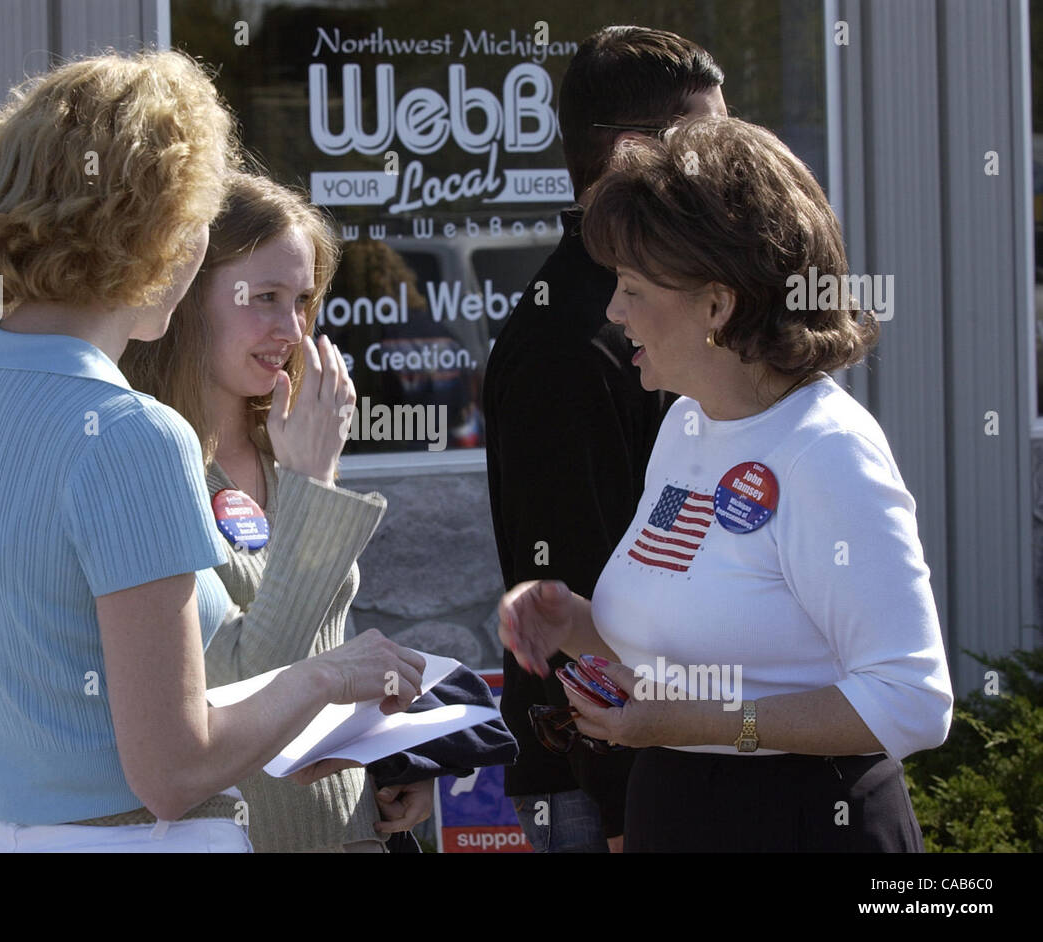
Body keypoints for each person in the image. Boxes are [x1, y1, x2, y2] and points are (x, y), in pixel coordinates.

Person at [0, 51, 425, 853]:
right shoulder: (130, 432)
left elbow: (11, 705)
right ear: (162, 230)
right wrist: (328, 675)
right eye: (201, 213)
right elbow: (174, 770)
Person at [498, 115, 954, 852]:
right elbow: (704, 638)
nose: (614, 312)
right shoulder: (686, 426)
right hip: (677, 812)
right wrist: (577, 624)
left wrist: (693, 725)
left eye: (633, 288)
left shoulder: (826, 450)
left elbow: (912, 702)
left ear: (718, 305)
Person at [121, 172, 516, 852]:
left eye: (304, 300)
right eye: (264, 298)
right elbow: (235, 679)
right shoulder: (153, 465)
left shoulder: (287, 445)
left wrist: (394, 761)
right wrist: (314, 482)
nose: (291, 328)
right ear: (187, 298)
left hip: (349, 826)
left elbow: (327, 641)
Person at [483, 26, 725, 852]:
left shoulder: (649, 314)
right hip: (602, 788)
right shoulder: (570, 342)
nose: (729, 164)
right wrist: (625, 816)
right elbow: (570, 588)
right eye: (711, 139)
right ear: (630, 154)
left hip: (656, 761)